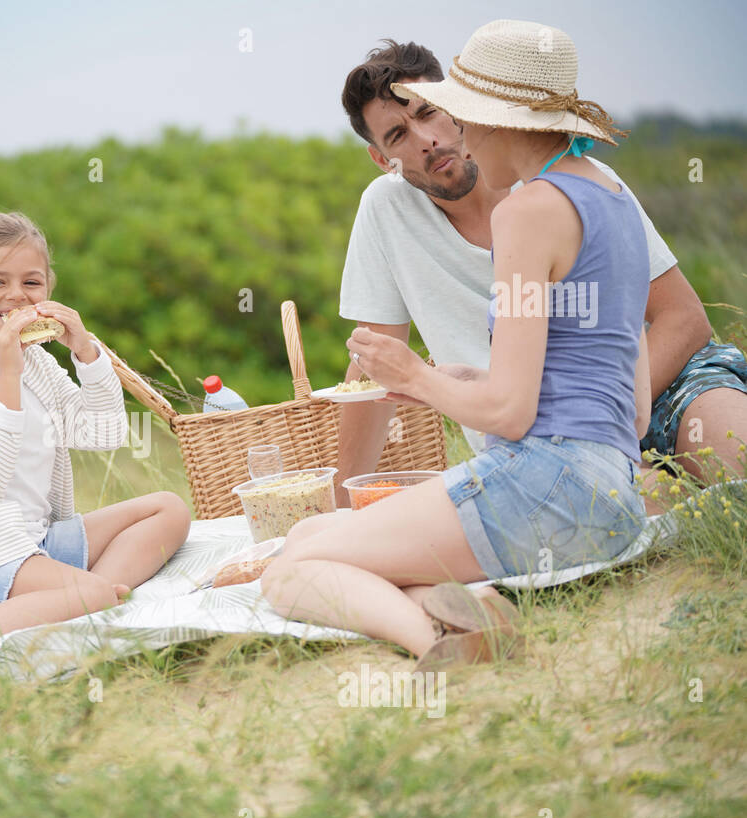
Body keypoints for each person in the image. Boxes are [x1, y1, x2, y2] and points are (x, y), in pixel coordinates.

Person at [263, 19, 651, 669]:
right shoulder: (612, 196)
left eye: (460, 115)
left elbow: (511, 416)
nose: (452, 136)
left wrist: (416, 376)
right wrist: (470, 380)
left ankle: (441, 643)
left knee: (290, 568)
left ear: (502, 119)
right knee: (310, 531)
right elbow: (629, 408)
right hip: (614, 499)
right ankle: (455, 605)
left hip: (540, 489)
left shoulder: (524, 214)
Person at [333, 38, 747, 504]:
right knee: (662, 506)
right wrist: (339, 503)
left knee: (736, 466)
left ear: (455, 106)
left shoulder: (573, 179)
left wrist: (598, 421)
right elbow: (374, 364)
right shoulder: (386, 210)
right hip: (532, 434)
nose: (426, 140)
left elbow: (684, 319)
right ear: (380, 157)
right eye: (397, 136)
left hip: (664, 385)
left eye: (428, 113)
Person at [0, 211, 191, 694]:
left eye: (32, 281)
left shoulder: (39, 363)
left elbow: (105, 433)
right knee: (85, 591)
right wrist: (7, 371)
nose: (16, 295)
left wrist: (87, 354)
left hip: (36, 542)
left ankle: (90, 599)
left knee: (169, 509)